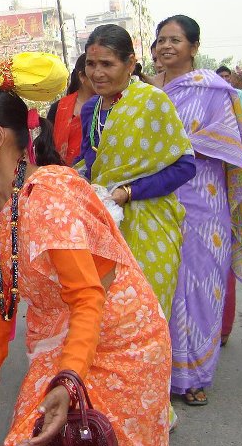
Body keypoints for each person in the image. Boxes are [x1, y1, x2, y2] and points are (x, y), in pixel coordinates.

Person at [0, 54, 171, 446]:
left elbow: (88, 296)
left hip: (122, 340)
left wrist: (70, 378)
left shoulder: (48, 196)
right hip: (64, 339)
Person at [152, 15, 242, 406]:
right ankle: (165, 373)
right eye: (162, 39)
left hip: (204, 199)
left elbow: (228, 141)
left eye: (176, 40)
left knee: (202, 285)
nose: (168, 46)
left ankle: (198, 375)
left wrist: (170, 145)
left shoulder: (215, 89)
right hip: (161, 199)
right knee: (165, 283)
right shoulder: (148, 92)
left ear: (194, 47)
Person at [77, 23, 195, 318]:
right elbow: (90, 164)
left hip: (150, 226)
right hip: (103, 225)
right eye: (91, 64)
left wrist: (128, 192)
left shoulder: (153, 101)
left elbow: (185, 165)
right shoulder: (91, 109)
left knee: (145, 318)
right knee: (106, 319)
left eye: (107, 63)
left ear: (130, 64)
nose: (97, 73)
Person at [46, 53, 92, 165]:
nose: (101, 74)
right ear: (82, 76)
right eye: (94, 67)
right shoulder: (58, 108)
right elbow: (48, 148)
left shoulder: (110, 105)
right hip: (63, 177)